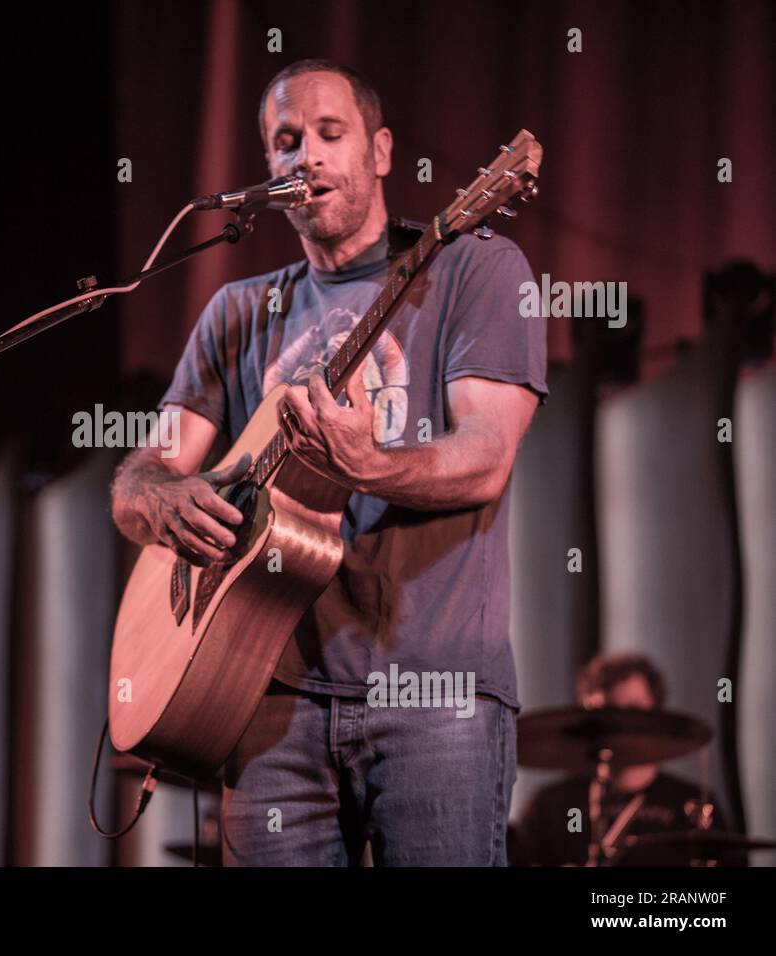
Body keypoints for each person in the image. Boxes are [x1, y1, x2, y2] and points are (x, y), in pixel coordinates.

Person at [110, 58, 548, 866]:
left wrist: (368, 463)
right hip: (263, 701)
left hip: (434, 696)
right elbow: (142, 475)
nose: (302, 155)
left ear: (380, 152)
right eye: (284, 141)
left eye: (327, 133)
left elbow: (486, 457)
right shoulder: (238, 312)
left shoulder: (476, 269)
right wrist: (161, 501)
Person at [514, 653, 735, 867]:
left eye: (634, 710)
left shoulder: (693, 802)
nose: (621, 724)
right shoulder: (549, 806)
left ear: (657, 714)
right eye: (608, 713)